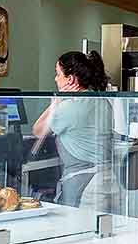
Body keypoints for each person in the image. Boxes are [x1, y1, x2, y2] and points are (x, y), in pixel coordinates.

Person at [33, 51, 114, 208]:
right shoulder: (101, 100)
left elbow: (38, 130)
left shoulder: (70, 107)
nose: (55, 79)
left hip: (85, 185)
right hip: (107, 180)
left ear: (70, 79)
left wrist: (56, 101)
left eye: (57, 74)